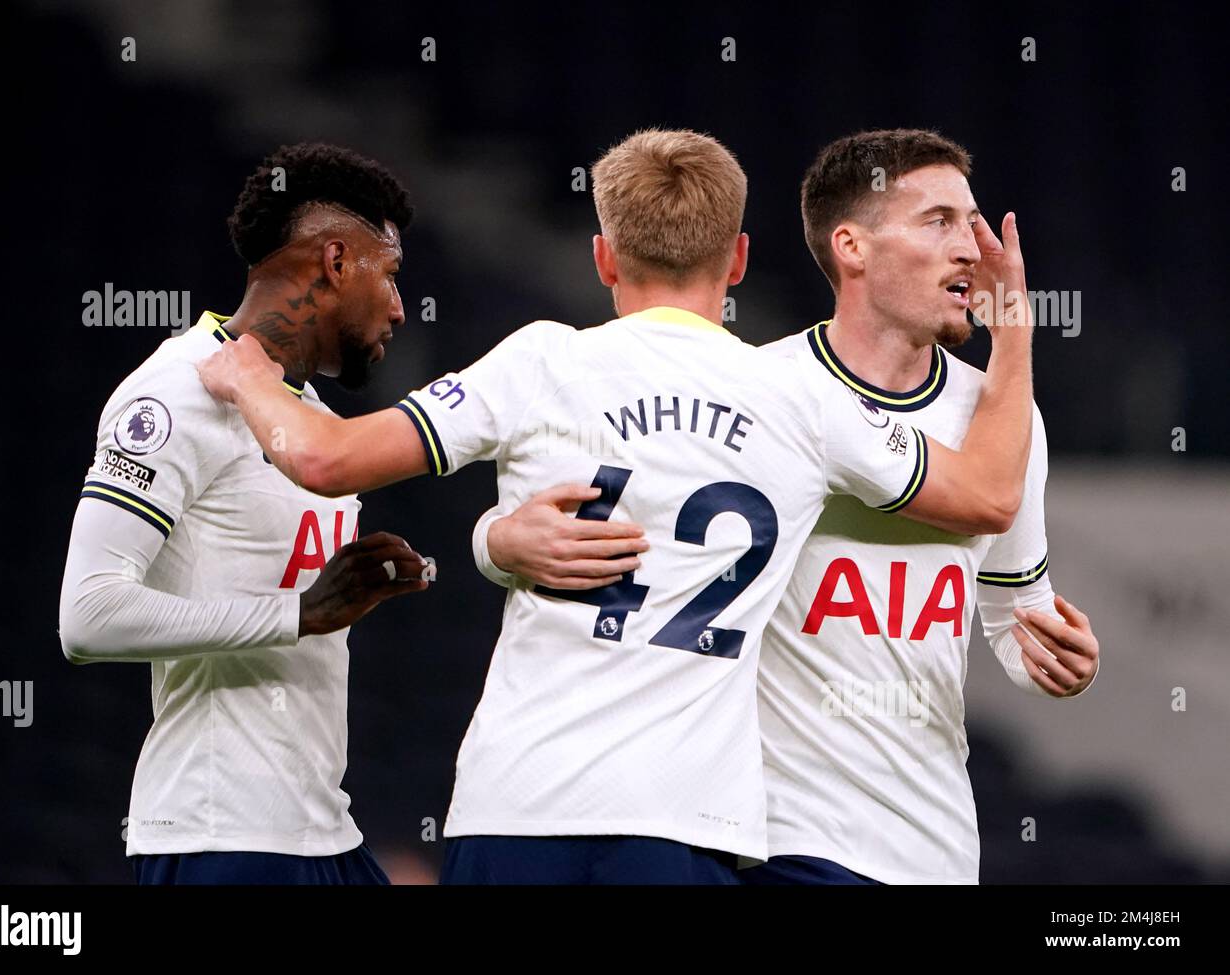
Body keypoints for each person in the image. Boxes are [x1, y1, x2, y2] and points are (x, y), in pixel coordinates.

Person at [198, 128, 1036, 884]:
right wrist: (1013, 328)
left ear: (603, 257)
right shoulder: (800, 399)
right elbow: (990, 494)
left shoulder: (540, 361)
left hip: (514, 809)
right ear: (739, 259)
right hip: (682, 825)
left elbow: (321, 456)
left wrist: (250, 377)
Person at [474, 129, 1099, 885]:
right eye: (939, 221)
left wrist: (1052, 658)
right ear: (852, 247)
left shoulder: (1004, 422)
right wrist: (497, 538)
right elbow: (615, 524)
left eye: (973, 222)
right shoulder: (756, 393)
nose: (974, 247)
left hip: (933, 842)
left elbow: (1010, 611)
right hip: (781, 836)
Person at [58, 142, 429, 885]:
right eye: (388, 274)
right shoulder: (170, 395)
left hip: (321, 831)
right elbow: (87, 614)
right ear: (334, 262)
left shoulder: (309, 419)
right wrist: (298, 613)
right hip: (221, 835)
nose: (397, 304)